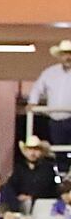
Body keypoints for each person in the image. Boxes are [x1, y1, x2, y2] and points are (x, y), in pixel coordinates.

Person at [30, 40, 71, 172]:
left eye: (69, 53)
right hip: (55, 120)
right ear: (59, 55)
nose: (67, 57)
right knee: (59, 152)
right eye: (64, 53)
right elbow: (37, 88)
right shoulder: (49, 73)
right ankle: (64, 178)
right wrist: (32, 102)